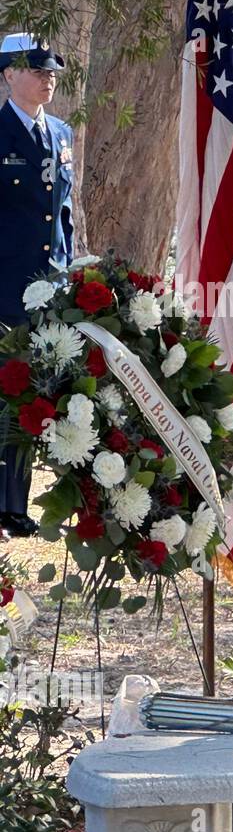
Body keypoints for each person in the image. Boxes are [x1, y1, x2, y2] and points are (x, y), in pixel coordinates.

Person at [0, 33, 74, 537]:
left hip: (50, 287)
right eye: (36, 69)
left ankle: (16, 505)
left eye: (51, 71)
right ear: (8, 74)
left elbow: (62, 213)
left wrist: (70, 273)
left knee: (35, 398)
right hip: (5, 286)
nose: (47, 78)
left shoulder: (62, 133)